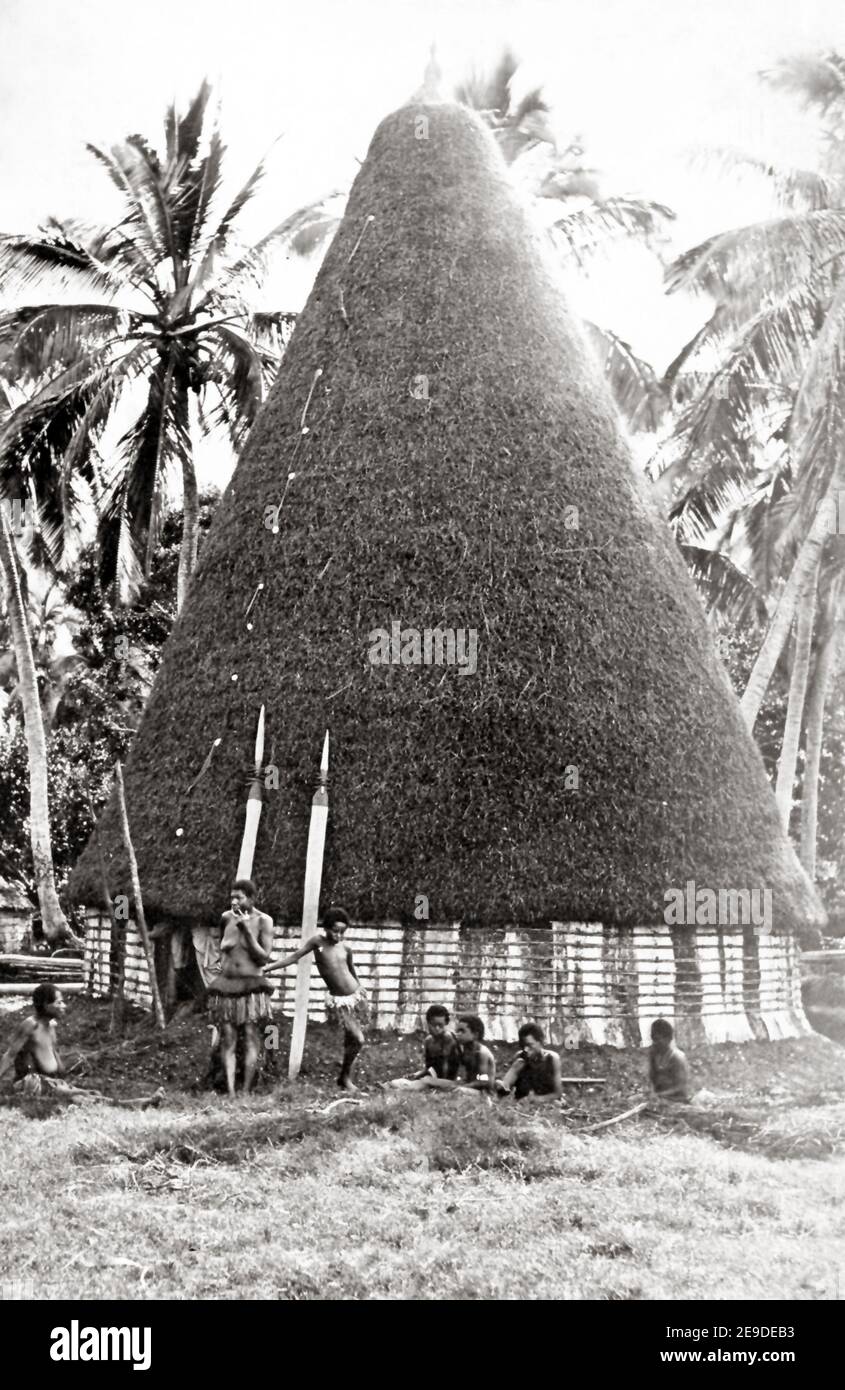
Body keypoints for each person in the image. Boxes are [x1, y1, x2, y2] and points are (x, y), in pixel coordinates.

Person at [0, 985, 163, 1107]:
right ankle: (135, 1103)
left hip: (50, 1081)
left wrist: (62, 1078)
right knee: (80, 1094)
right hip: (31, 1082)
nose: (64, 1006)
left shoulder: (51, 1026)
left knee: (82, 1097)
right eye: (59, 1002)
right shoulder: (30, 1025)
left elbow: (53, 1053)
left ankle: (135, 1103)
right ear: (45, 1004)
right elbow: (10, 1055)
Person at [263, 907, 367, 1091]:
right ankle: (344, 1077)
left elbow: (352, 971)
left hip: (355, 997)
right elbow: (294, 957)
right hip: (340, 1002)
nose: (339, 936)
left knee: (352, 1040)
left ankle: (345, 1078)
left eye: (343, 932)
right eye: (335, 931)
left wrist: (361, 993)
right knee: (358, 1039)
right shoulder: (317, 942)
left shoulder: (346, 948)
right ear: (326, 928)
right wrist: (267, 969)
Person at [206, 879, 275, 1097]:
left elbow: (263, 957)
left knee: (251, 1034)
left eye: (240, 897)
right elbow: (222, 947)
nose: (234, 901)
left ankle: (246, 1089)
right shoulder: (226, 917)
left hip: (251, 986)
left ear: (252, 899)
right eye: (232, 897)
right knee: (228, 1037)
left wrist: (246, 931)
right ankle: (231, 1090)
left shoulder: (264, 921)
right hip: (227, 985)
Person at [387, 1003, 460, 1089]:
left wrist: (432, 1081)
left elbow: (454, 1077)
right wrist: (418, 1074)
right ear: (428, 1023)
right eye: (433, 1025)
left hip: (448, 1083)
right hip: (433, 1079)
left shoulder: (451, 1041)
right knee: (397, 1083)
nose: (437, 1028)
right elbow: (430, 1068)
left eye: (440, 1025)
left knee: (409, 1086)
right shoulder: (429, 1041)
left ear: (446, 1024)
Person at [497, 1022, 562, 1102]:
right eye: (523, 1046)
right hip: (522, 1107)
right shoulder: (520, 1057)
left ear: (540, 1041)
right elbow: (504, 1088)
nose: (526, 1049)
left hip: (546, 1103)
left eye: (530, 1045)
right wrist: (514, 1069)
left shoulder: (552, 1059)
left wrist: (536, 1099)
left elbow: (558, 1093)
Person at [648, 1018, 691, 1102]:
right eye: (654, 1039)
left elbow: (680, 1087)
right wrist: (652, 1091)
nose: (656, 1043)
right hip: (658, 1096)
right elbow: (652, 1078)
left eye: (659, 1039)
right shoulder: (654, 1054)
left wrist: (660, 1095)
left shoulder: (677, 1057)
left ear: (669, 1038)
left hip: (676, 1098)